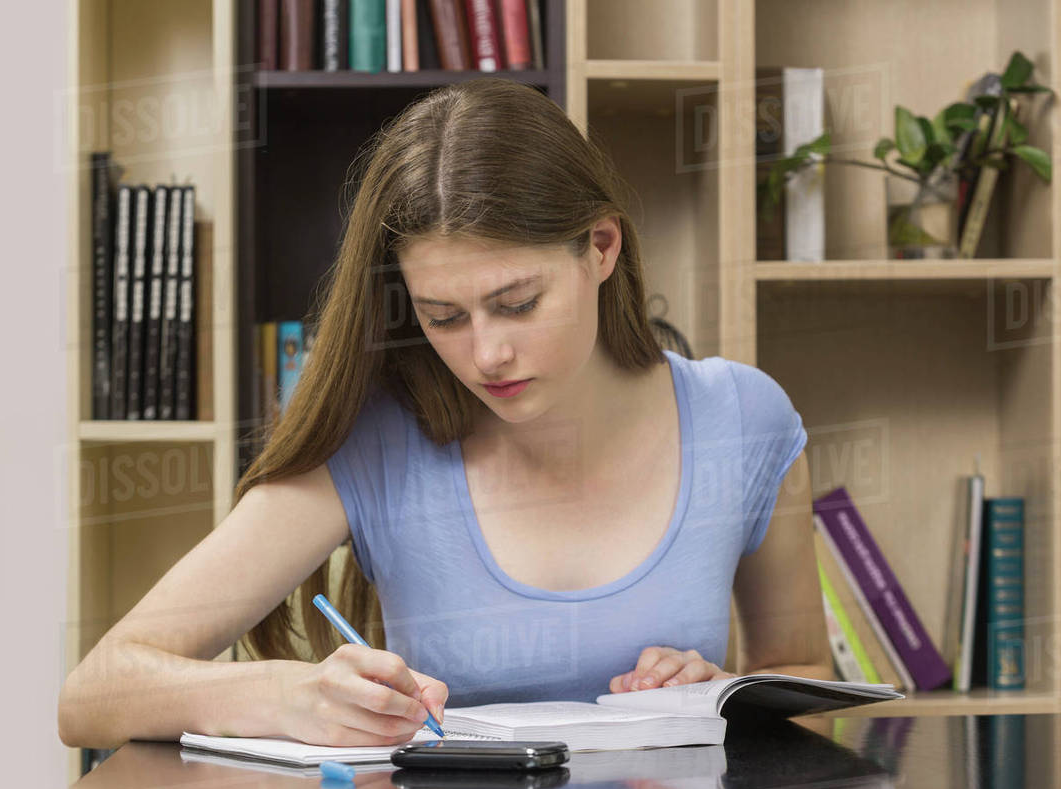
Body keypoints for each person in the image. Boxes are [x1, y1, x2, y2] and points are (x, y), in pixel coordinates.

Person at [57, 78, 832, 751]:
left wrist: (722, 694)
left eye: (517, 303)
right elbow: (92, 695)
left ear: (600, 248)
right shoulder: (377, 443)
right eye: (443, 316)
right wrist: (282, 696)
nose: (486, 355)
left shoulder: (742, 417)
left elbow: (806, 678)